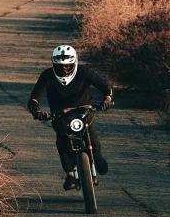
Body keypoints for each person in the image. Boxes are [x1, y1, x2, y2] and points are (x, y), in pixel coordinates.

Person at [28, 45, 114, 190]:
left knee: (93, 139)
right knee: (62, 142)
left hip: (85, 111)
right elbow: (34, 98)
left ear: (74, 62)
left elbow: (105, 86)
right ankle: (71, 173)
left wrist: (107, 98)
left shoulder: (84, 72)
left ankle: (96, 157)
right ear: (53, 64)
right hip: (60, 114)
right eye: (60, 66)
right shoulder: (47, 75)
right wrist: (37, 111)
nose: (64, 69)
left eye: (68, 66)